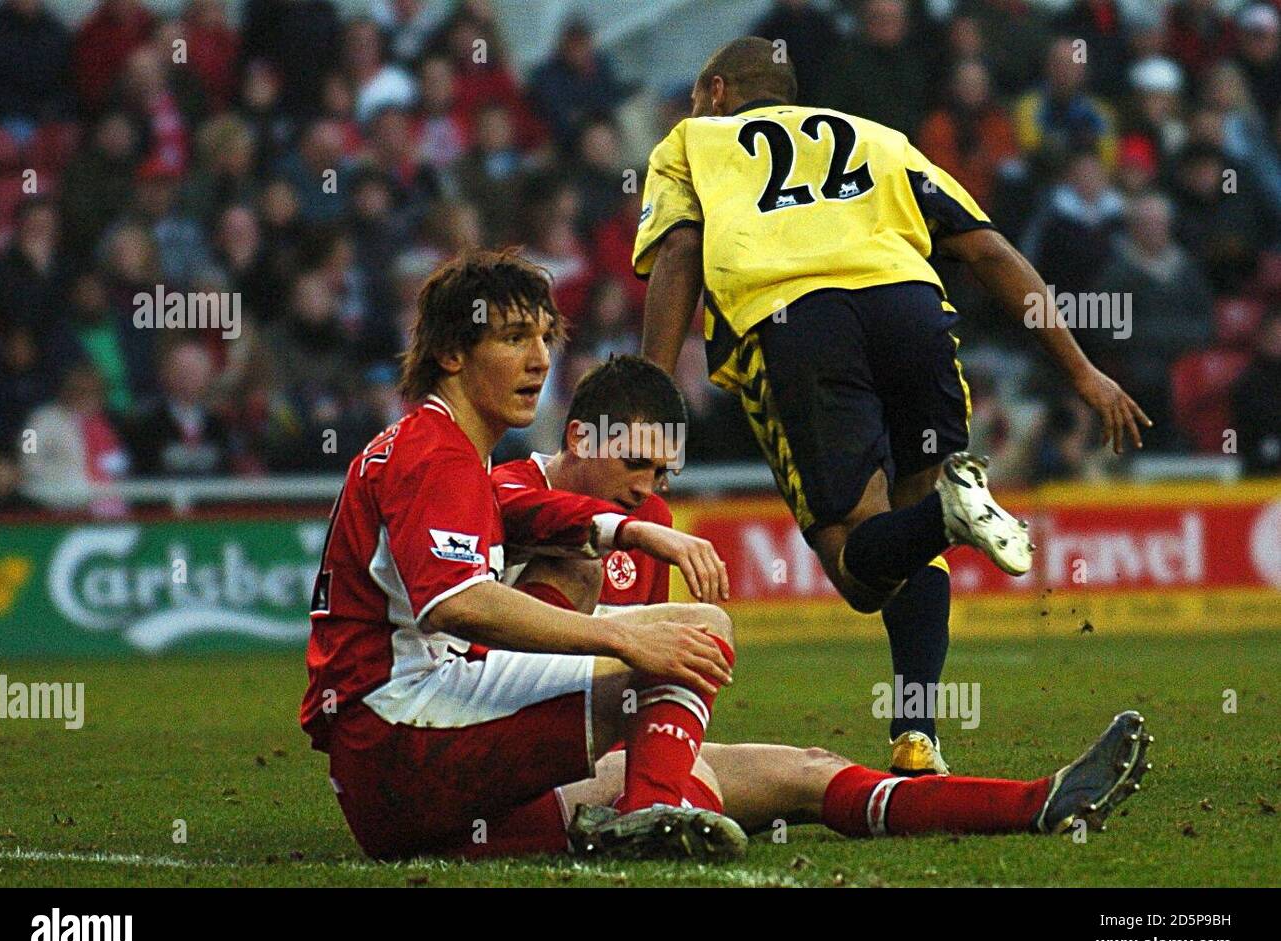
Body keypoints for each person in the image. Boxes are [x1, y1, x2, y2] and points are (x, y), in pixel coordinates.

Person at [636, 37, 1150, 776]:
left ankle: (948, 515)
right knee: (912, 534)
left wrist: (654, 399)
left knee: (855, 565)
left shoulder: (693, 140)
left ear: (716, 90)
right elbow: (989, 251)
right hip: (913, 313)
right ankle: (916, 734)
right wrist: (1083, 370)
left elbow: (680, 253)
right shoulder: (875, 138)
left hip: (798, 321)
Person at [492, 355, 1154, 843]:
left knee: (809, 769)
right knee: (591, 575)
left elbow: (635, 685)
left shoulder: (650, 516)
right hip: (501, 769)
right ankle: (650, 812)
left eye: (662, 471)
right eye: (634, 461)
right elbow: (526, 549)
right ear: (580, 437)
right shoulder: (499, 492)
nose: (646, 487)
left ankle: (1040, 802)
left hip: (590, 761)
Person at [300, 249, 745, 862]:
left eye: (544, 338)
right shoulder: (436, 456)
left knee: (687, 654)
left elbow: (525, 515)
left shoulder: (440, 446)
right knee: (689, 640)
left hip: (385, 747)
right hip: (402, 731)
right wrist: (621, 643)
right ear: (452, 354)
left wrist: (636, 533)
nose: (539, 360)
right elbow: (460, 604)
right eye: (514, 338)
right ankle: (649, 815)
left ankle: (622, 815)